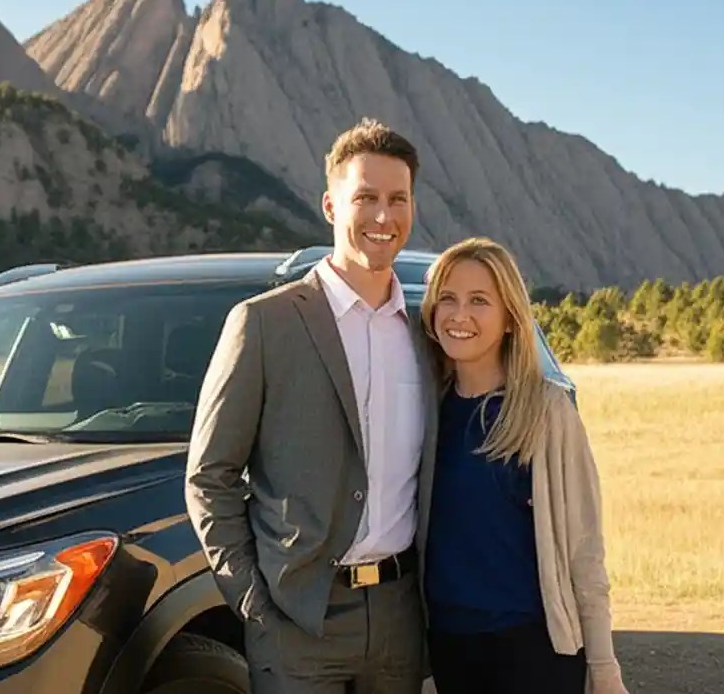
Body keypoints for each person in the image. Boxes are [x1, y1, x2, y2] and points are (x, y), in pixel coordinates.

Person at [184, 117, 437, 694]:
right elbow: (209, 476)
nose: (383, 216)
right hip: (297, 617)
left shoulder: (427, 334)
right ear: (330, 205)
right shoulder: (263, 323)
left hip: (401, 616)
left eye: (398, 199)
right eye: (365, 198)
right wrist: (253, 603)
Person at [418, 236, 630, 694]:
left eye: (479, 301)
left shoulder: (547, 410)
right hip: (448, 649)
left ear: (511, 318)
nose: (460, 315)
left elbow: (584, 550)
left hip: (534, 651)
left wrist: (605, 667)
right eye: (447, 299)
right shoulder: (427, 412)